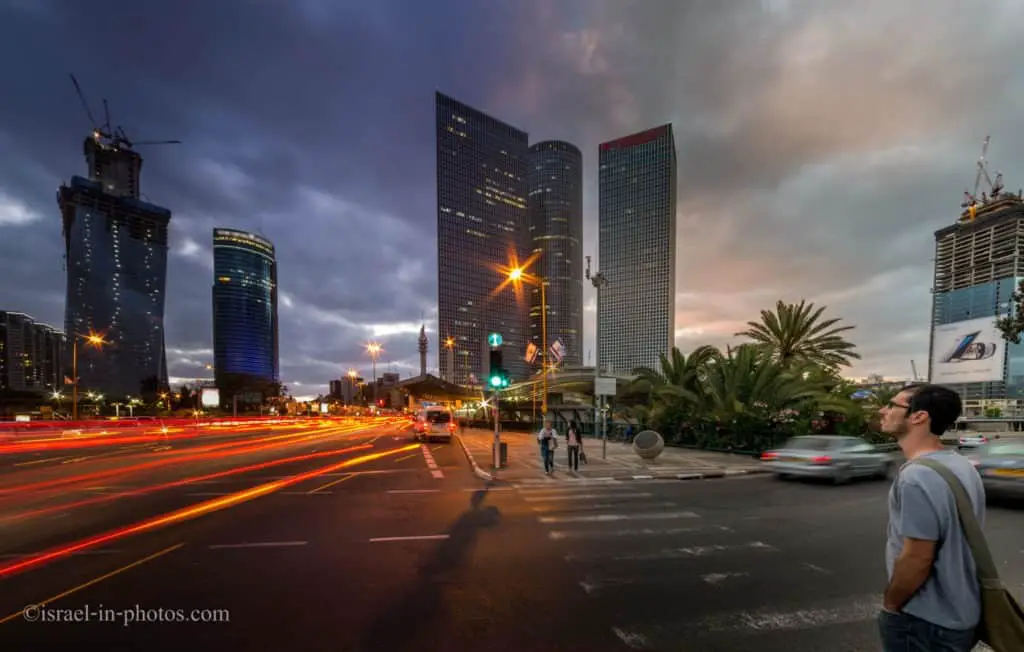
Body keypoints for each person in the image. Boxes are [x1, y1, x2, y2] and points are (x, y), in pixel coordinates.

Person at [877, 383, 984, 651]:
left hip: (924, 622)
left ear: (918, 417)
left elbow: (918, 557)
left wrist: (892, 604)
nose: (883, 410)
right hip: (960, 614)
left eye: (892, 405)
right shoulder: (961, 465)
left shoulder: (916, 477)